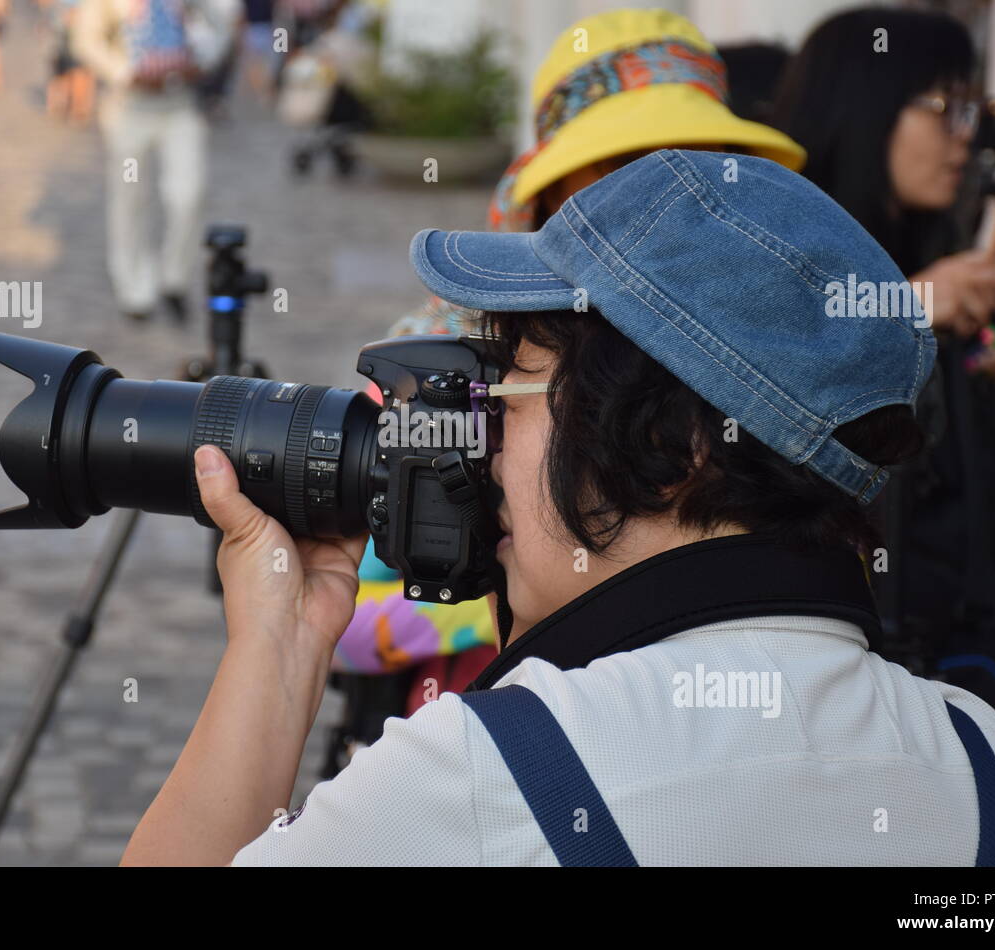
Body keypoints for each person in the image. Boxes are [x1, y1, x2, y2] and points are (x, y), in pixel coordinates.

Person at [122, 149, 995, 866]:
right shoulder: (981, 764)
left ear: (668, 451)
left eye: (515, 387)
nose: (475, 444)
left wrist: (277, 649)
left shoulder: (490, 771)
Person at [331, 8, 807, 735]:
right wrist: (513, 582)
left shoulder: (755, 362)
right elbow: (355, 622)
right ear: (548, 196)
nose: (660, 204)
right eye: (623, 167)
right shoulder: (435, 368)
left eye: (695, 167)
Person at [772, 5, 995, 865]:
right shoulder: (791, 242)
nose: (963, 137)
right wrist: (909, 305)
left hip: (950, 649)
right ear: (867, 107)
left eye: (973, 111)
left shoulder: (927, 239)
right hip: (847, 688)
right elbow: (765, 370)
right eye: (941, 107)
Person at [73, 0, 228, 323]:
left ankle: (175, 279)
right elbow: (86, 39)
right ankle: (135, 288)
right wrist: (125, 73)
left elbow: (222, 19)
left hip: (180, 105)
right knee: (131, 198)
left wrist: (201, 60)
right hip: (130, 108)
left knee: (188, 194)